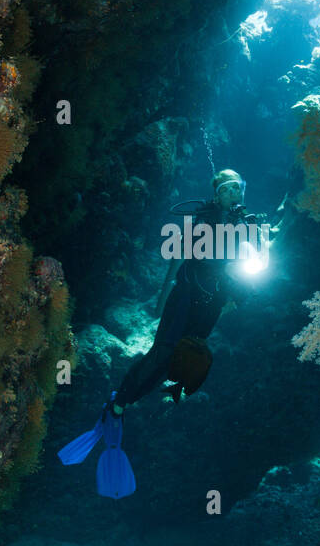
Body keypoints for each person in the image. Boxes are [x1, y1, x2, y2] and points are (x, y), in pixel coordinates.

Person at [58, 169, 287, 497]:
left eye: (240, 186)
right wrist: (163, 292)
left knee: (179, 360)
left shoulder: (247, 222)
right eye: (228, 186)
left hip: (214, 300)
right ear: (217, 191)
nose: (235, 191)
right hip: (186, 294)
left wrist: (239, 292)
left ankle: (123, 405)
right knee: (163, 351)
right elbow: (180, 254)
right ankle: (118, 403)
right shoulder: (203, 217)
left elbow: (257, 259)